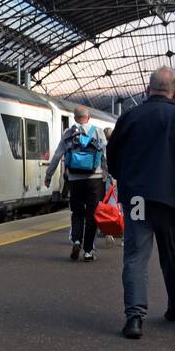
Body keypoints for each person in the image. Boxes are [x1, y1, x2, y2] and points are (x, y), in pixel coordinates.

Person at [105, 67, 175, 339]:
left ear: (147, 89)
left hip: (138, 200)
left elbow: (113, 155)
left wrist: (127, 181)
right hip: (172, 199)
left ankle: (134, 319)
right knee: (174, 256)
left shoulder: (130, 117)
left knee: (135, 257)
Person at [43, 106, 109, 262]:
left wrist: (48, 175)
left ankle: (77, 240)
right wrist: (110, 174)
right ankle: (88, 251)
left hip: (74, 180)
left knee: (77, 212)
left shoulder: (68, 133)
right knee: (92, 215)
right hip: (95, 179)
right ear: (89, 117)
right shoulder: (98, 132)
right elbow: (106, 156)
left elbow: (58, 155)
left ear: (74, 118)